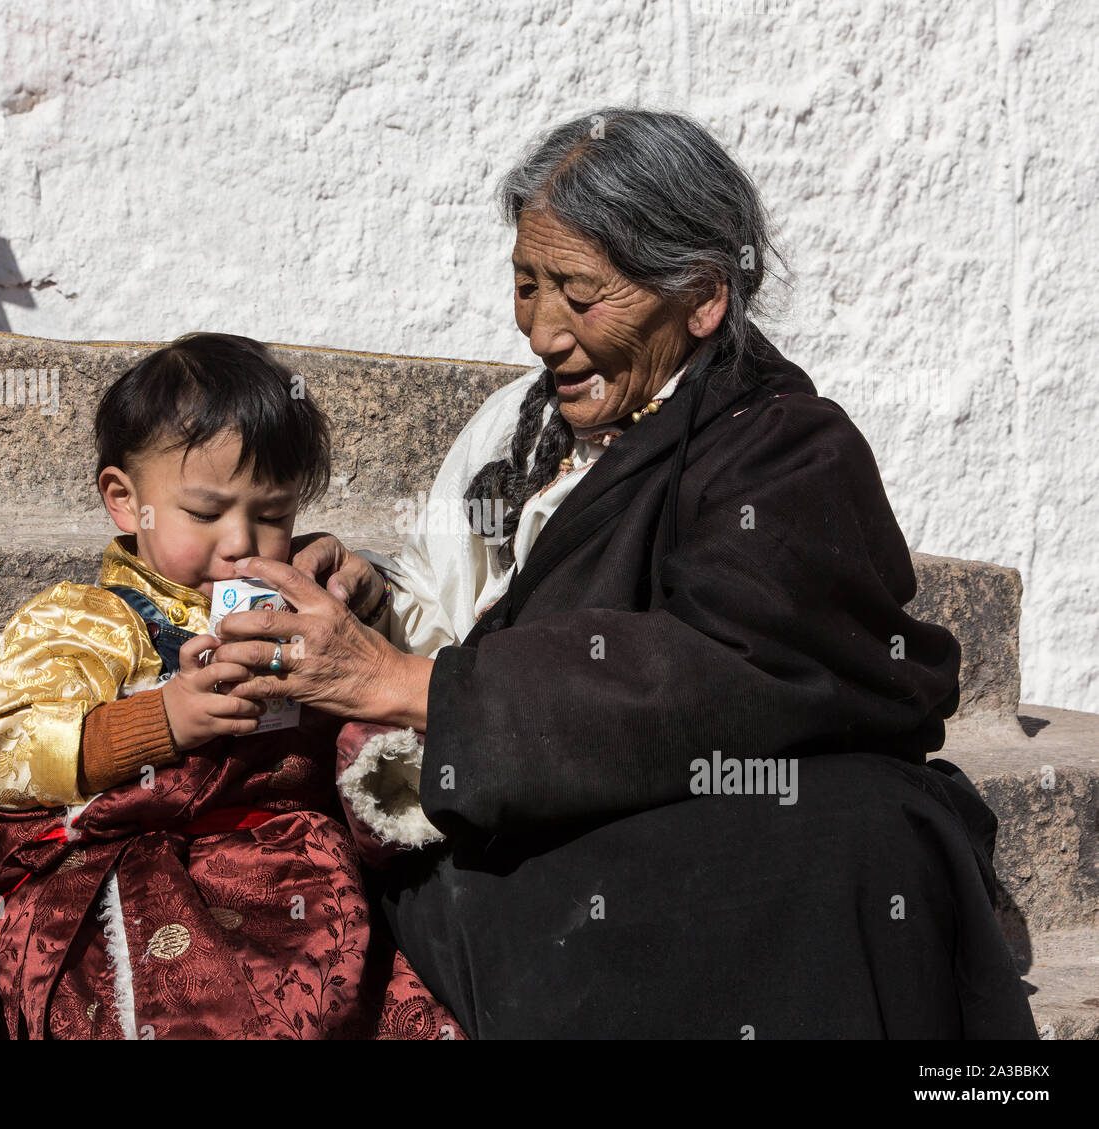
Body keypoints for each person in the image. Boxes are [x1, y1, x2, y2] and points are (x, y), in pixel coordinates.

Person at [207, 109, 1040, 1039]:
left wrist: (405, 685)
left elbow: (726, 674)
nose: (541, 331)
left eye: (579, 292)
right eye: (527, 284)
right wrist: (372, 601)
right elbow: (465, 608)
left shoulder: (786, 452)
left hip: (678, 819)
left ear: (702, 298)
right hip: (522, 813)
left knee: (868, 830)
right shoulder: (516, 434)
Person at [0, 332, 459, 1041]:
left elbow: (389, 673)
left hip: (291, 873)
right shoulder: (87, 621)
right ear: (124, 501)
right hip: (128, 879)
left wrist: (361, 603)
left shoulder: (298, 602)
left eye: (272, 514)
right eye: (206, 513)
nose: (241, 541)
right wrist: (165, 720)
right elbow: (5, 750)